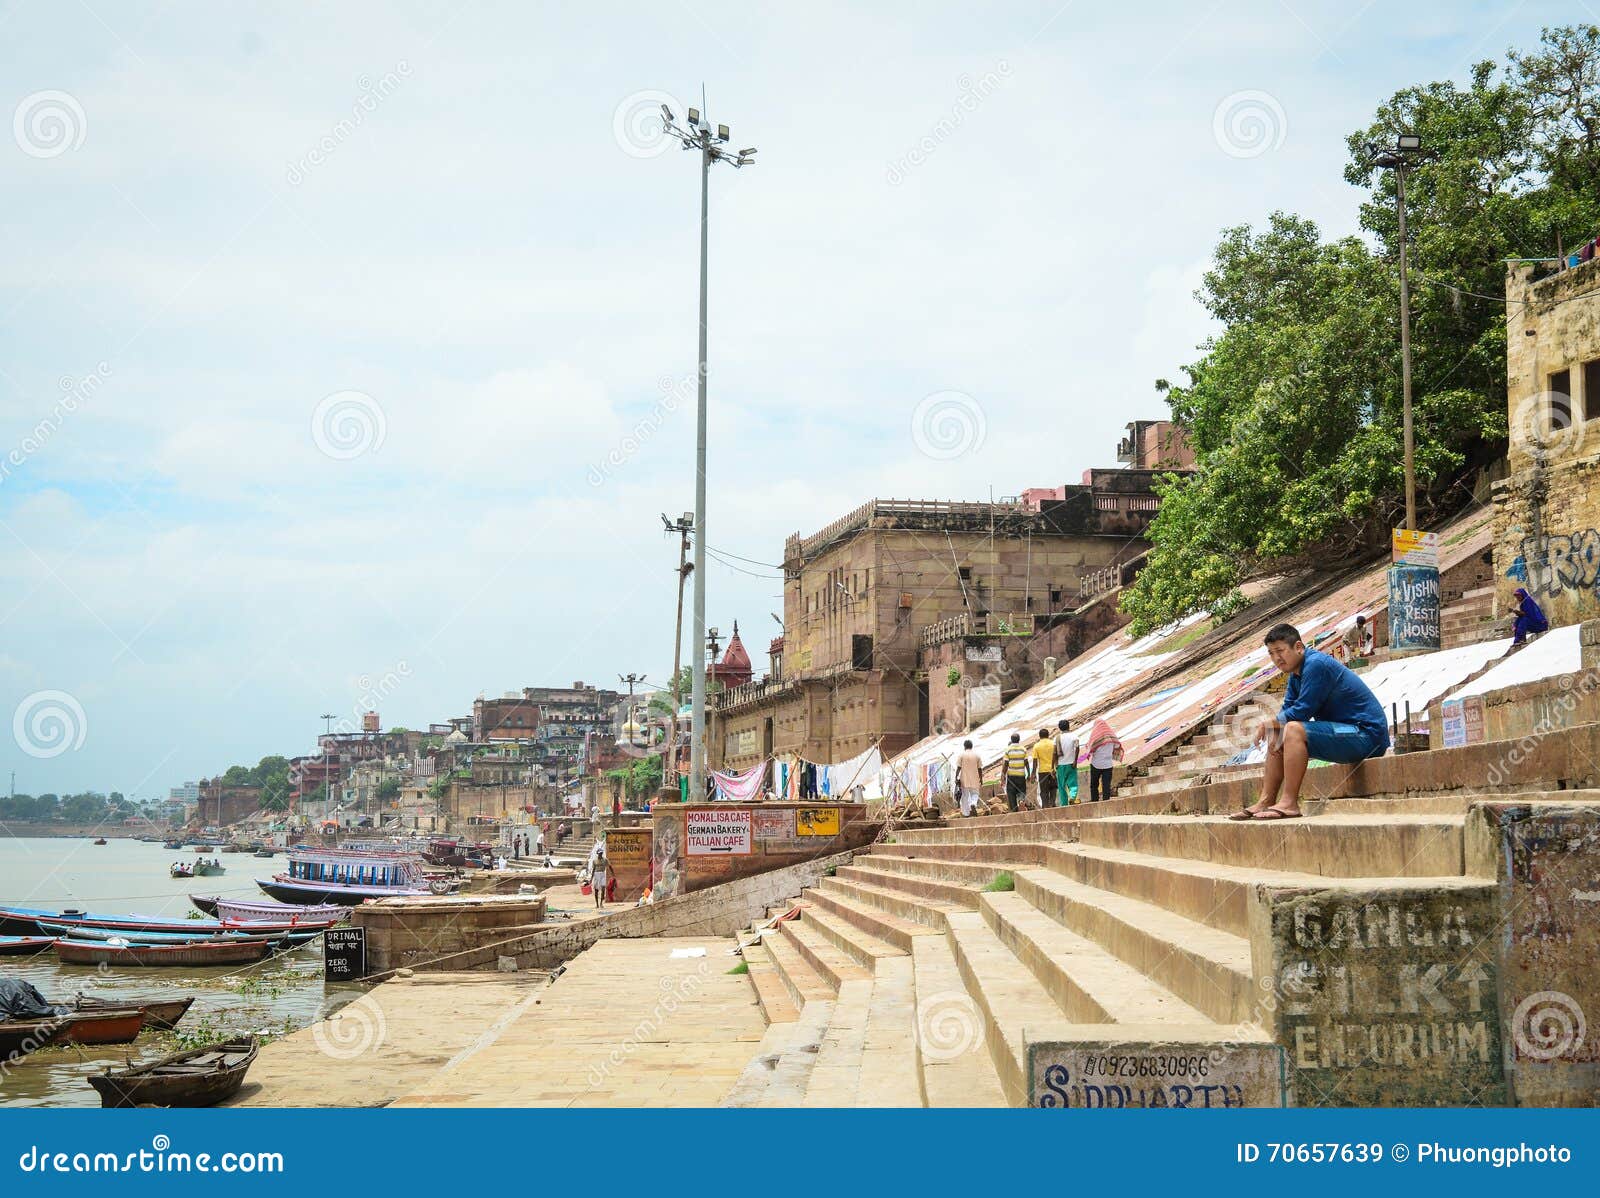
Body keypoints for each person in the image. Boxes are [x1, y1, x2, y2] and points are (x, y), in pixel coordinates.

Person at [1230, 622, 1390, 822]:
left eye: (1280, 651)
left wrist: (1272, 723)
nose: (1276, 658)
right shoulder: (1295, 675)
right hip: (1343, 733)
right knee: (1279, 731)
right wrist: (1274, 725)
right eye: (1271, 654)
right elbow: (1288, 710)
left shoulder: (1316, 664)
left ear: (1298, 647)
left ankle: (1289, 802)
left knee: (1292, 729)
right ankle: (1266, 800)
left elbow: (1304, 710)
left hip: (1366, 735)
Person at [1086, 719, 1122, 802]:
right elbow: (1117, 746)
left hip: (1096, 764)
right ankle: (1106, 801)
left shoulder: (1094, 737)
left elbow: (1090, 749)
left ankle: (1095, 801)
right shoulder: (1111, 736)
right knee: (1106, 785)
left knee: (1094, 785)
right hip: (1108, 764)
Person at [1029, 728, 1058, 808]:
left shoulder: (1037, 746)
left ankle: (1045, 806)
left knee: (1044, 790)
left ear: (1039, 736)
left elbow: (1035, 761)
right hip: (1053, 770)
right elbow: (1056, 756)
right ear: (1048, 735)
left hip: (1042, 771)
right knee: (1053, 788)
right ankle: (1052, 803)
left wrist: (1033, 773)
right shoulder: (1053, 743)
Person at [1054, 719, 1080, 804]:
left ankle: (1064, 804)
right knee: (1073, 783)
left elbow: (1054, 752)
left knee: (1061, 786)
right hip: (1071, 763)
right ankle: (1072, 796)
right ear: (1068, 726)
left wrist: (1055, 764)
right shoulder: (1074, 736)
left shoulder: (1057, 738)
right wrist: (1075, 761)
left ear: (1060, 728)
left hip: (1060, 765)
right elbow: (1077, 748)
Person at [956, 739, 983, 817]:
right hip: (975, 778)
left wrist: (956, 777)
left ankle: (966, 813)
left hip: (964, 779)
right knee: (975, 794)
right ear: (972, 746)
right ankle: (973, 803)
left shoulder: (961, 755)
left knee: (965, 796)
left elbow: (958, 768)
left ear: (964, 746)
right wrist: (981, 779)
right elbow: (980, 768)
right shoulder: (977, 755)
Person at [1002, 733, 1029, 812]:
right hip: (1021, 774)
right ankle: (1021, 800)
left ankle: (1014, 809)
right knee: (1022, 790)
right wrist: (1029, 774)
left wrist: (1003, 775)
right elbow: (1026, 762)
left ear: (1011, 739)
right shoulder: (1023, 749)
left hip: (1011, 775)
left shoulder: (1008, 750)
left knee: (1011, 792)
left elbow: (1006, 764)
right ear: (1019, 739)